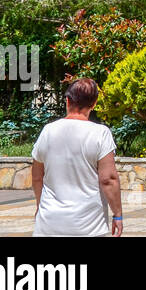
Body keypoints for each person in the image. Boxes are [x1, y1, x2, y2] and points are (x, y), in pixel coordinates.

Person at [31, 77, 123, 237]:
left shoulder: (47, 131)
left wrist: (40, 206)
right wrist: (117, 214)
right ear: (93, 104)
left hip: (49, 224)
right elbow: (108, 179)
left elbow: (37, 176)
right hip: (89, 226)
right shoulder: (100, 133)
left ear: (67, 101)